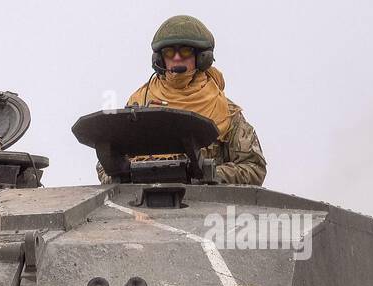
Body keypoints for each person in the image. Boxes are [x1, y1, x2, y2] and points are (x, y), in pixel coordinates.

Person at [102, 15, 266, 185]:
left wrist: (209, 174)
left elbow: (254, 168)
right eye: (169, 52)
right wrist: (126, 173)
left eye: (186, 51)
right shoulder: (137, 106)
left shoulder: (226, 112)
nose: (177, 58)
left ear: (202, 57)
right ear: (160, 59)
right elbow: (106, 164)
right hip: (140, 206)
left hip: (204, 205)